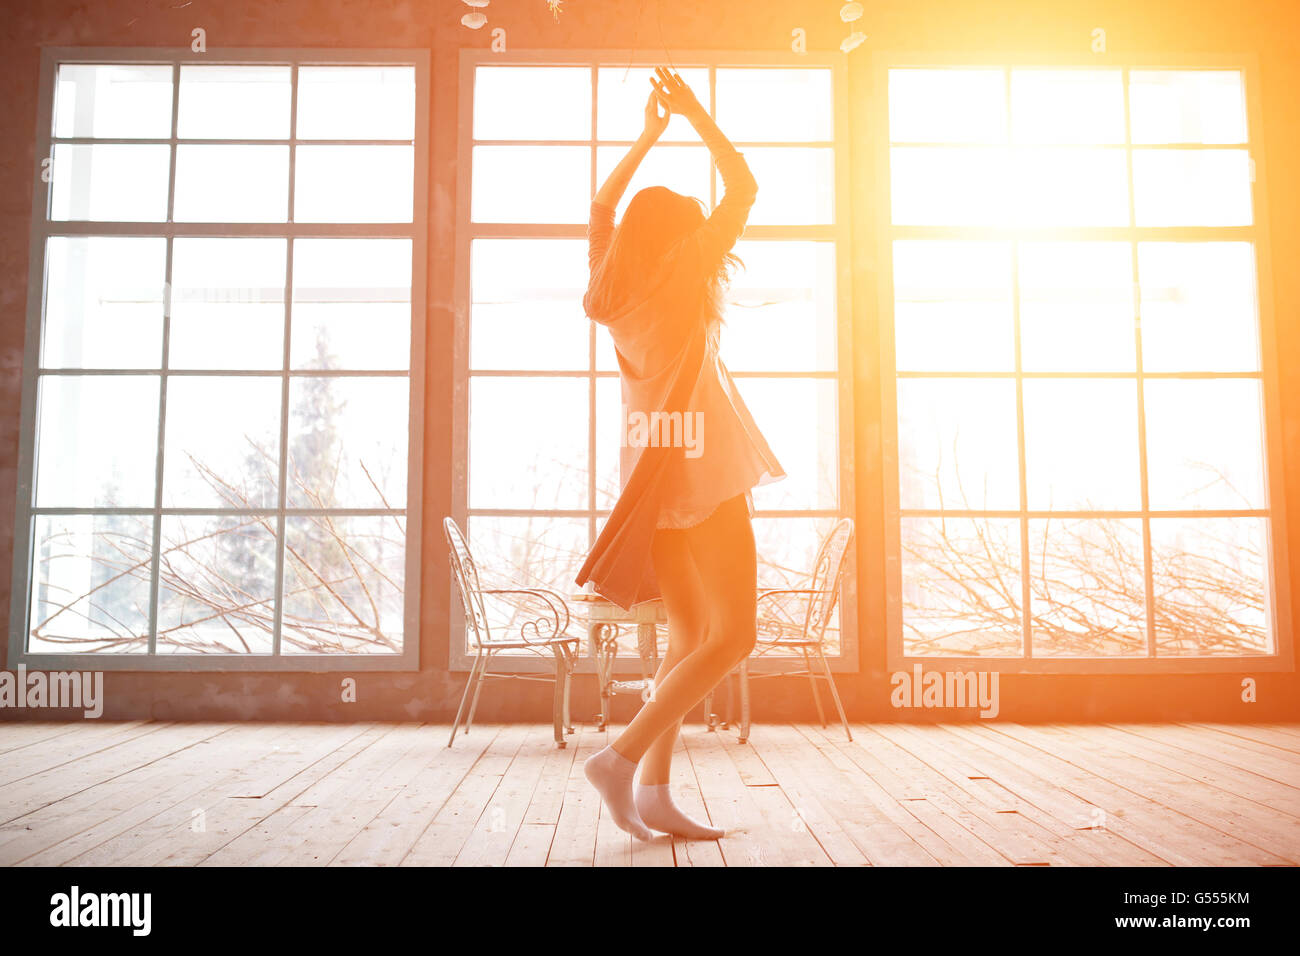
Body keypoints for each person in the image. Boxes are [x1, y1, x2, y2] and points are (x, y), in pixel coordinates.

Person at [577, 67, 785, 841]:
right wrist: (692, 112)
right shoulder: (686, 267)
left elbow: (602, 207)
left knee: (690, 636)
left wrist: (649, 135)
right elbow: (745, 185)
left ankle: (655, 792)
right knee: (734, 637)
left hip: (648, 475)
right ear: (678, 236)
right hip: (701, 469)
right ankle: (621, 757)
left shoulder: (607, 287)